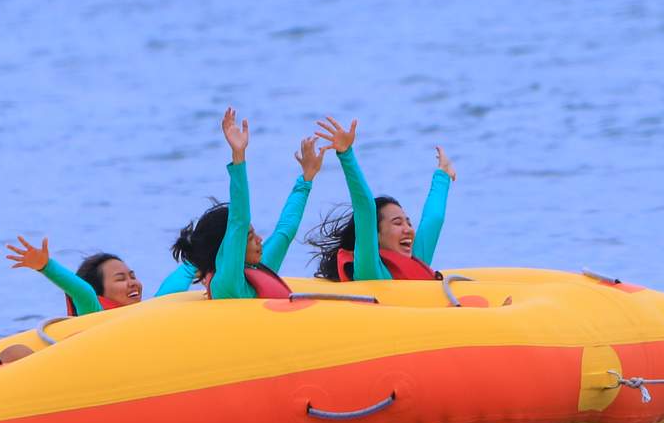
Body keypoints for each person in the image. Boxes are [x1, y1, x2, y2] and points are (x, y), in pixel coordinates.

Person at [170, 108, 328, 299]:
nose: (260, 239)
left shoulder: (259, 268)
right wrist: (238, 156)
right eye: (250, 236)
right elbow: (239, 219)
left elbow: (285, 230)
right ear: (227, 246)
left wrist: (307, 178)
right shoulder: (226, 283)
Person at [308, 115, 456, 281]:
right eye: (397, 223)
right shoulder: (369, 272)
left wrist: (443, 175)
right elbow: (365, 208)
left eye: (408, 222)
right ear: (376, 234)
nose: (408, 229)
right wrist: (346, 154)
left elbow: (433, 219)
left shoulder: (416, 262)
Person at [5, 240, 145, 316]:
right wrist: (46, 266)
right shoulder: (93, 313)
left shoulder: (145, 314)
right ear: (99, 293)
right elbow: (83, 292)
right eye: (120, 279)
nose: (132, 283)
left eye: (132, 276)